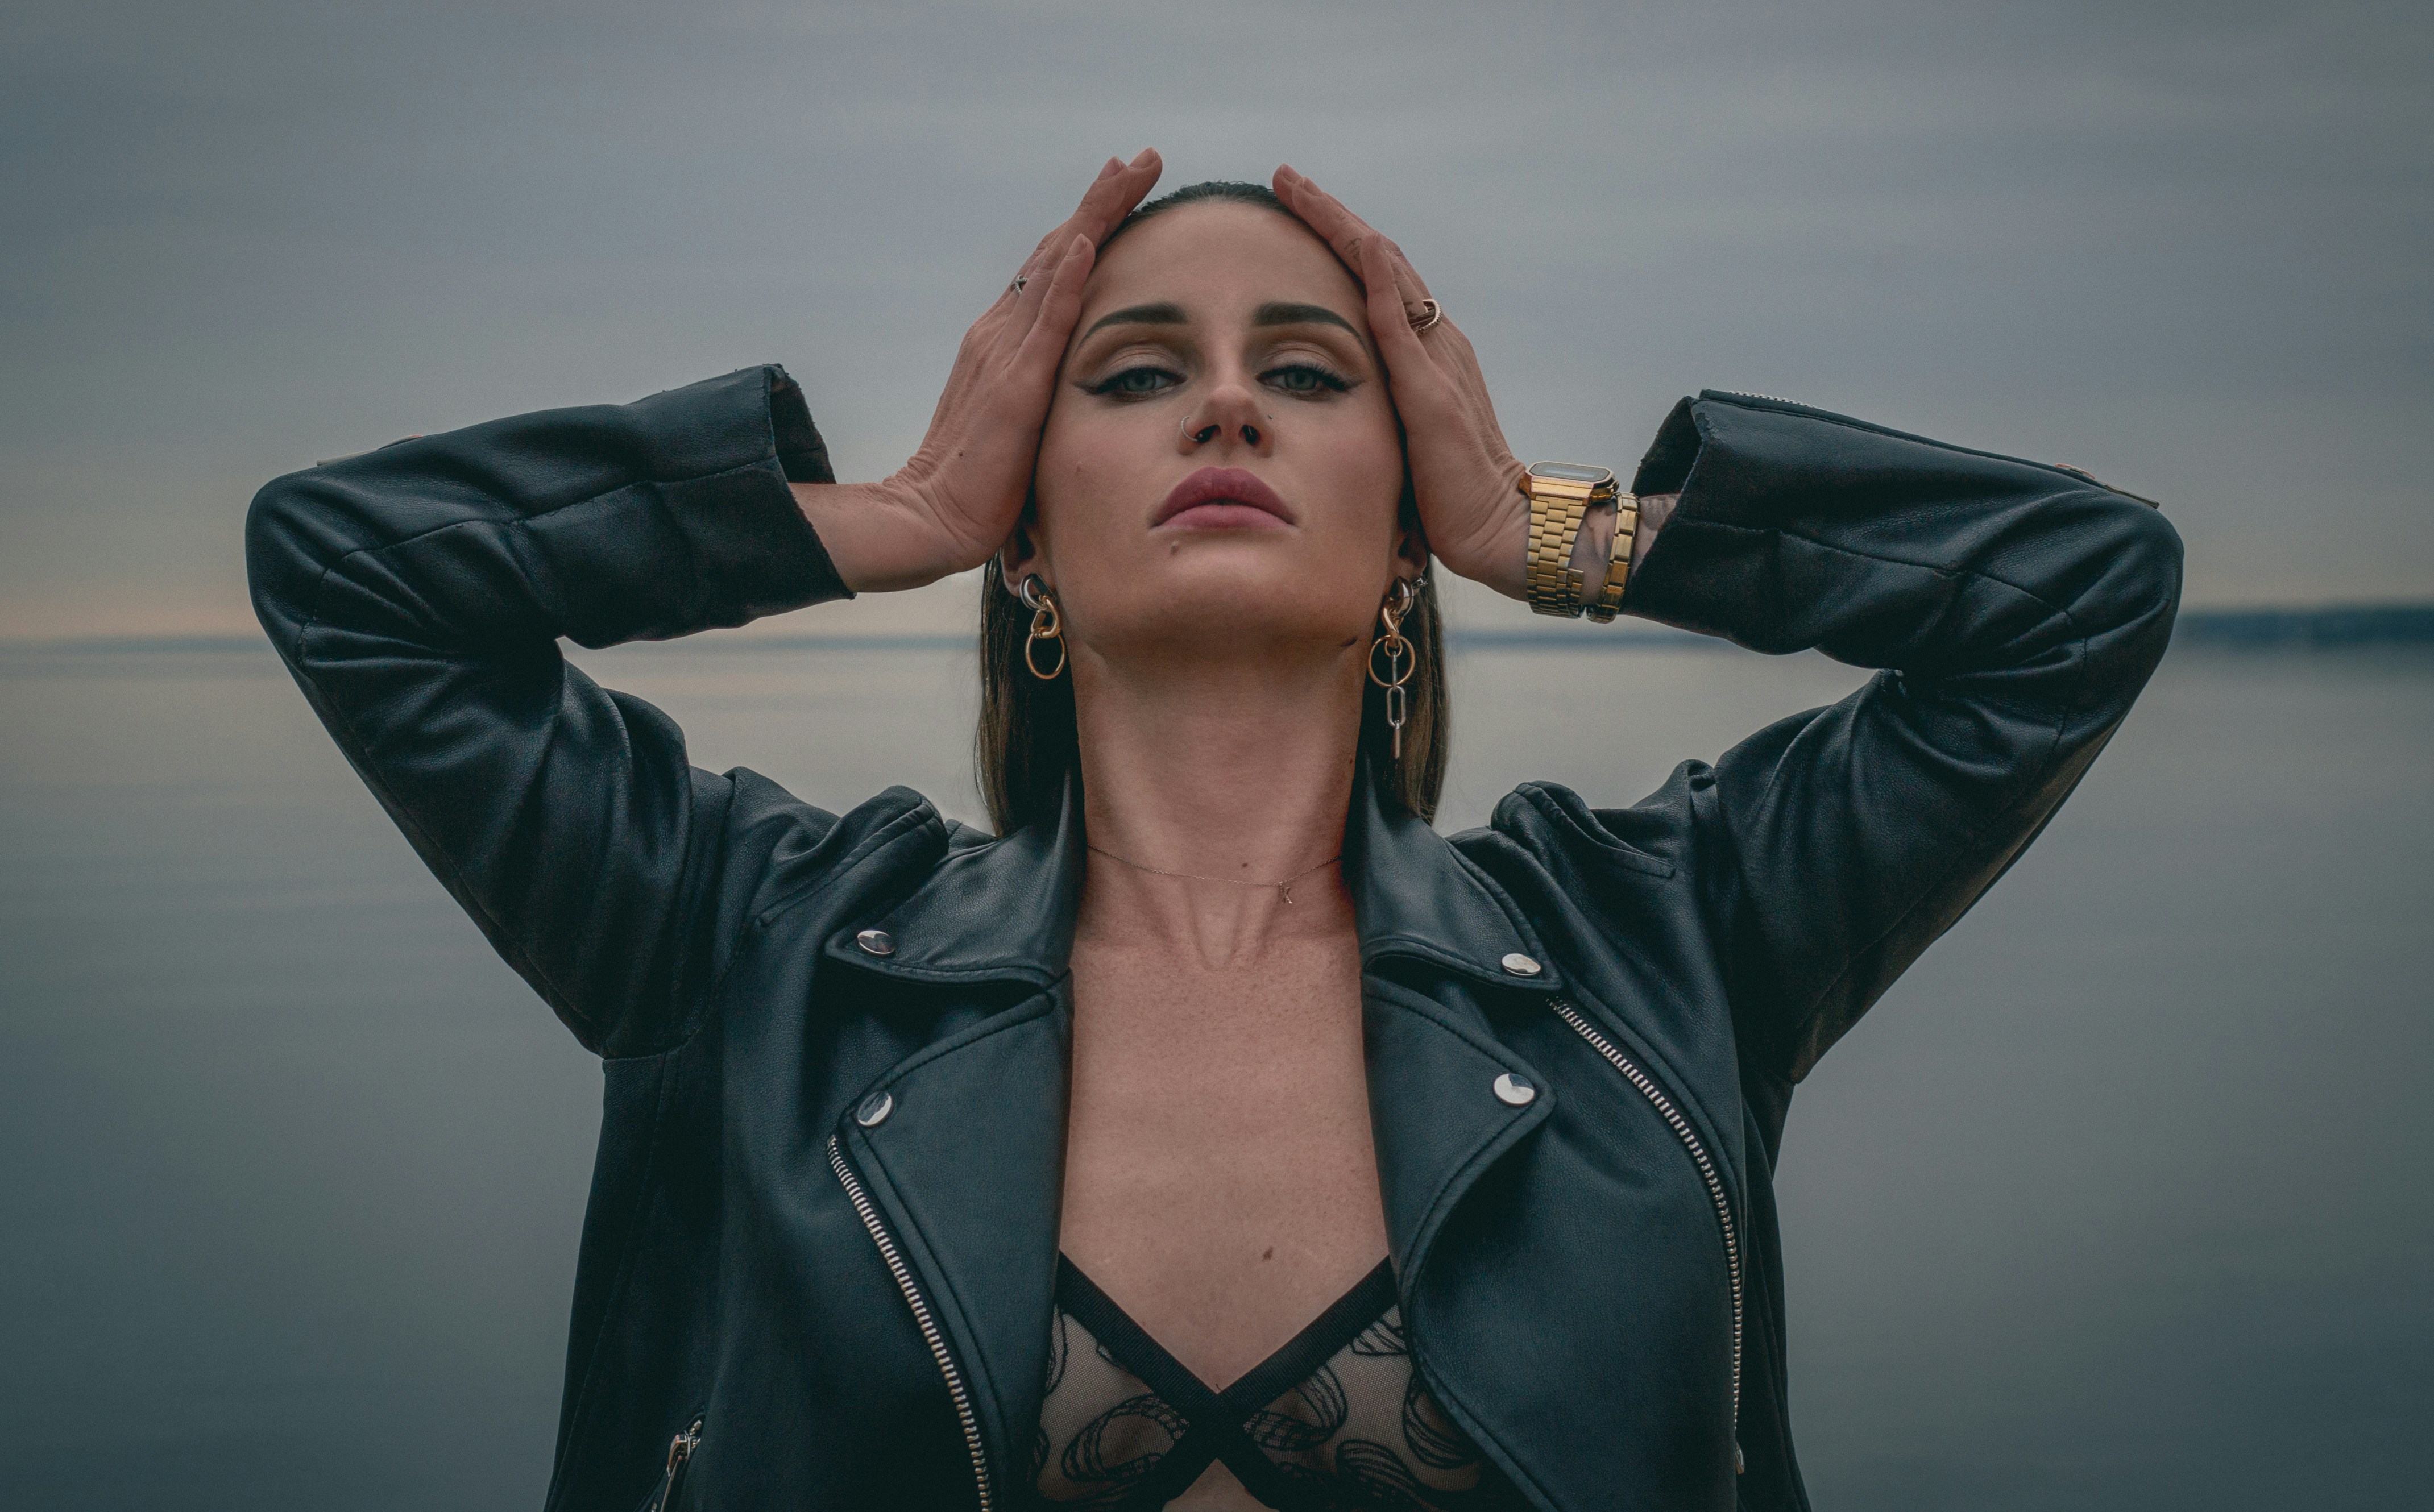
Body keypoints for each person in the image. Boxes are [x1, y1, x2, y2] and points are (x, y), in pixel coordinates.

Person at [246, 149, 2182, 1511]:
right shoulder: (753, 943)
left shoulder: (1666, 944)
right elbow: (346, 568)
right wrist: (897, 510)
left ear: (1406, 526)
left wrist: (1543, 525)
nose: (1231, 406)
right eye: (1140, 371)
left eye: (1312, 373)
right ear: (1032, 528)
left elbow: (2077, 595)